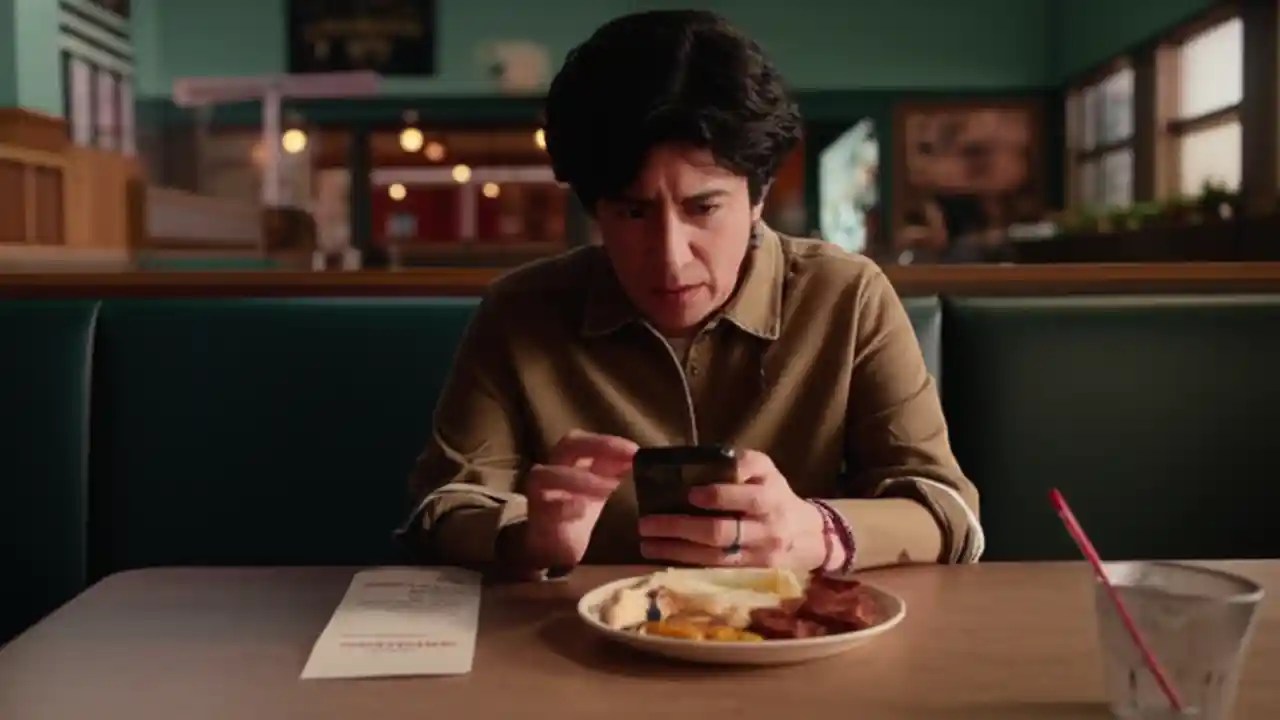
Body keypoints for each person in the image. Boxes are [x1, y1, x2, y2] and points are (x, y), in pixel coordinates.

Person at [400, 10, 982, 579]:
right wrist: (524, 538)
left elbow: (946, 510)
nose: (671, 256)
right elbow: (443, 507)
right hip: (571, 649)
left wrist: (817, 532)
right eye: (632, 212)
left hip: (791, 647)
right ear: (594, 208)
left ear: (758, 197)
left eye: (703, 208)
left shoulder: (847, 297)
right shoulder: (520, 310)